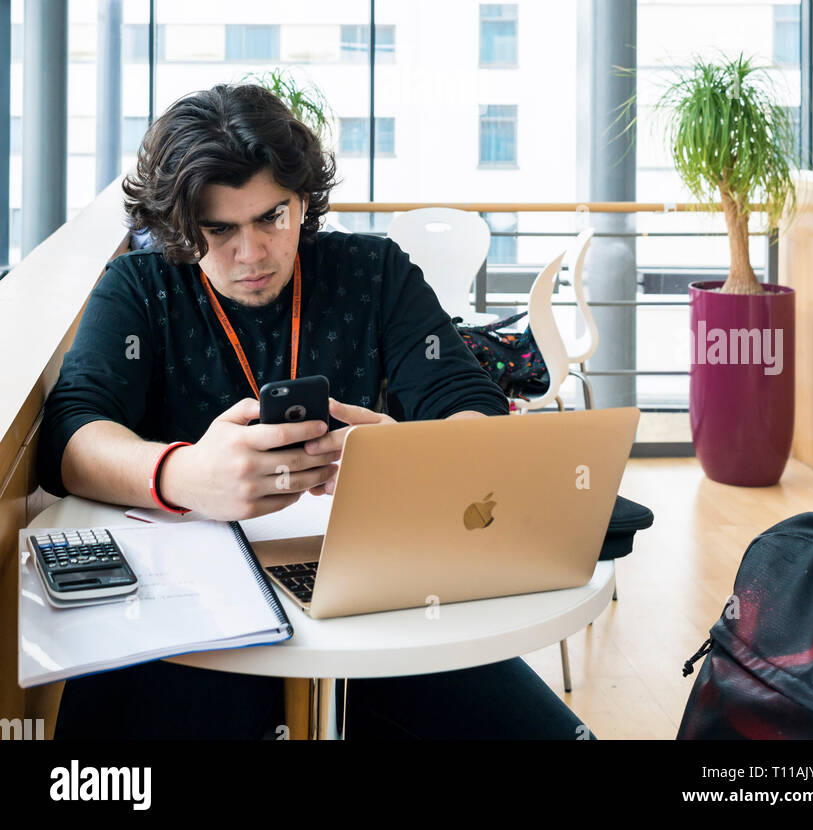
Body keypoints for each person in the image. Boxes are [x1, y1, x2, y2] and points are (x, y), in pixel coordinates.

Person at [37, 82, 592, 741]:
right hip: (188, 603)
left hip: (360, 586)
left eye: (273, 217)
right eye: (219, 231)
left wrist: (406, 457)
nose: (252, 254)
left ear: (304, 200)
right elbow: (73, 433)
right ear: (182, 230)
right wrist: (183, 476)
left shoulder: (373, 272)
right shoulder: (141, 285)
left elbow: (466, 404)